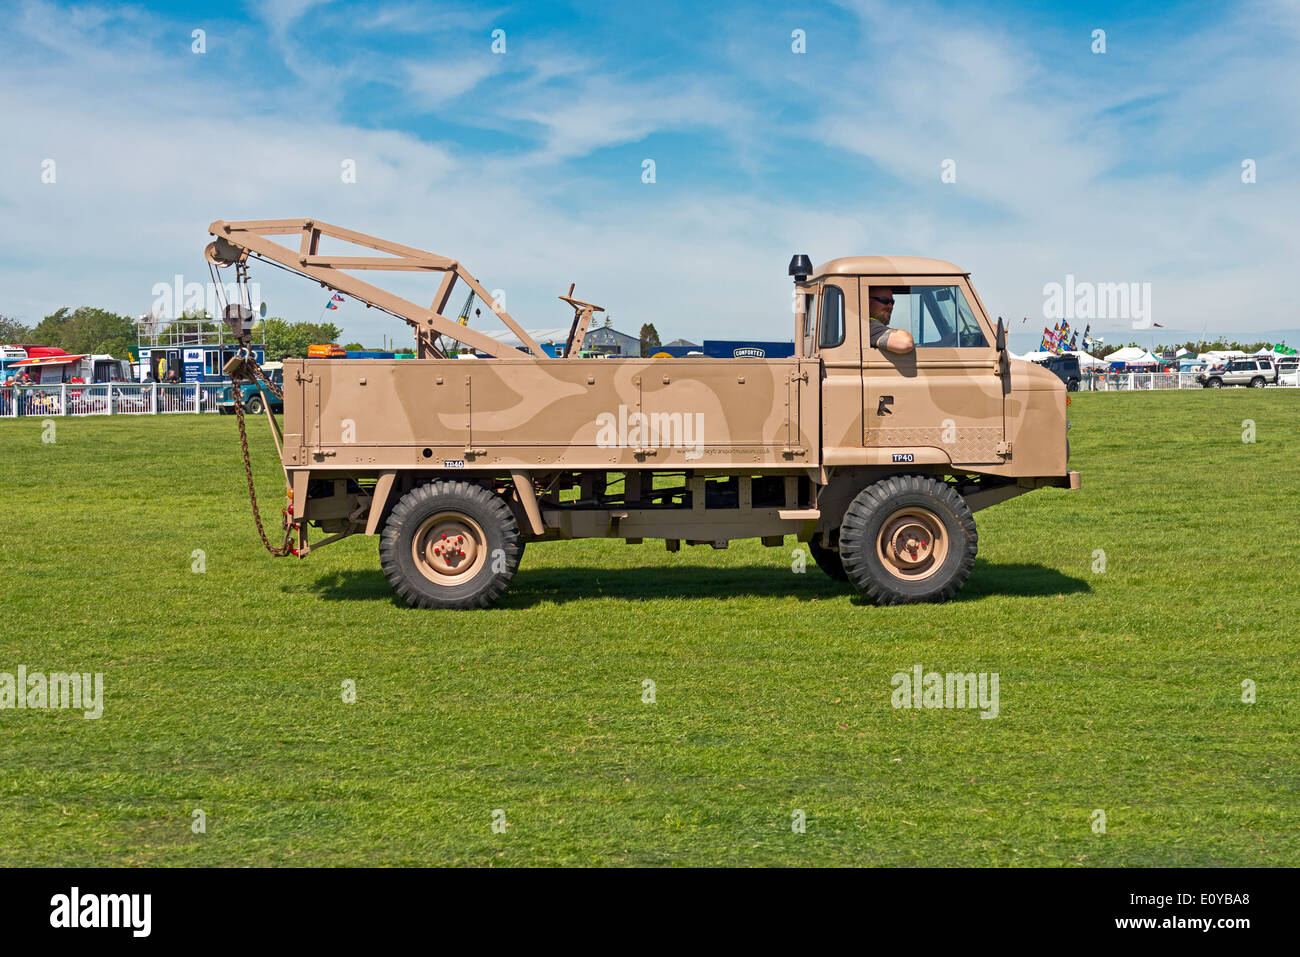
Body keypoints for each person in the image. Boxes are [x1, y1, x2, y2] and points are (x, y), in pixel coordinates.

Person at [866, 287, 915, 354]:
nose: (890, 306)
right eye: (884, 300)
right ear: (867, 301)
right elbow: (905, 342)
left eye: (892, 302)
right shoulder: (867, 325)